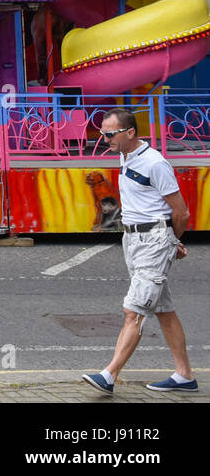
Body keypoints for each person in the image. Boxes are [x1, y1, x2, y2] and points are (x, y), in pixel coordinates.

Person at [82, 109, 198, 395]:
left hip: (153, 241)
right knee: (163, 310)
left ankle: (109, 375)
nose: (104, 139)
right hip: (133, 240)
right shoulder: (126, 155)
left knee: (133, 311)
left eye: (110, 134)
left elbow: (181, 211)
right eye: (103, 133)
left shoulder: (155, 164)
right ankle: (184, 376)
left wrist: (170, 241)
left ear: (130, 132)